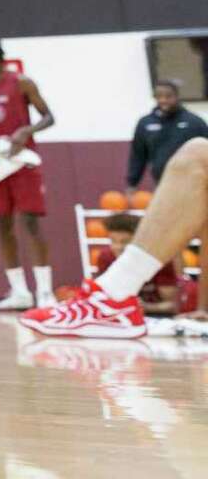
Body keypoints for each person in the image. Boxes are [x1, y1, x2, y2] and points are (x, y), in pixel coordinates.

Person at [23, 138, 208, 338]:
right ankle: (113, 295)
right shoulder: (106, 256)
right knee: (198, 157)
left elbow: (171, 302)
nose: (118, 246)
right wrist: (203, 309)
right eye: (116, 241)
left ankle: (114, 294)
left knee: (198, 155)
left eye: (123, 241)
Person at [0, 37, 57, 310]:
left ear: (1, 58)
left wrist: (26, 131)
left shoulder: (22, 82)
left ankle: (45, 291)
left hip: (21, 159)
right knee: (2, 224)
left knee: (30, 222)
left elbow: (49, 117)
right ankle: (19, 291)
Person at [94, 214, 184, 316]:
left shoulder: (159, 259)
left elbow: (172, 306)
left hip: (156, 319)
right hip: (119, 318)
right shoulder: (106, 257)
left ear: (140, 242)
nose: (117, 247)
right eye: (113, 241)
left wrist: (145, 307)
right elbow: (100, 298)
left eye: (125, 242)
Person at [128, 79, 208, 190]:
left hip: (192, 183)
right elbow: (138, 156)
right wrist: (132, 183)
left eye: (168, 96)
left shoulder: (195, 122)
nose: (163, 100)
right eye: (159, 96)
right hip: (161, 184)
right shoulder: (145, 123)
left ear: (176, 96)